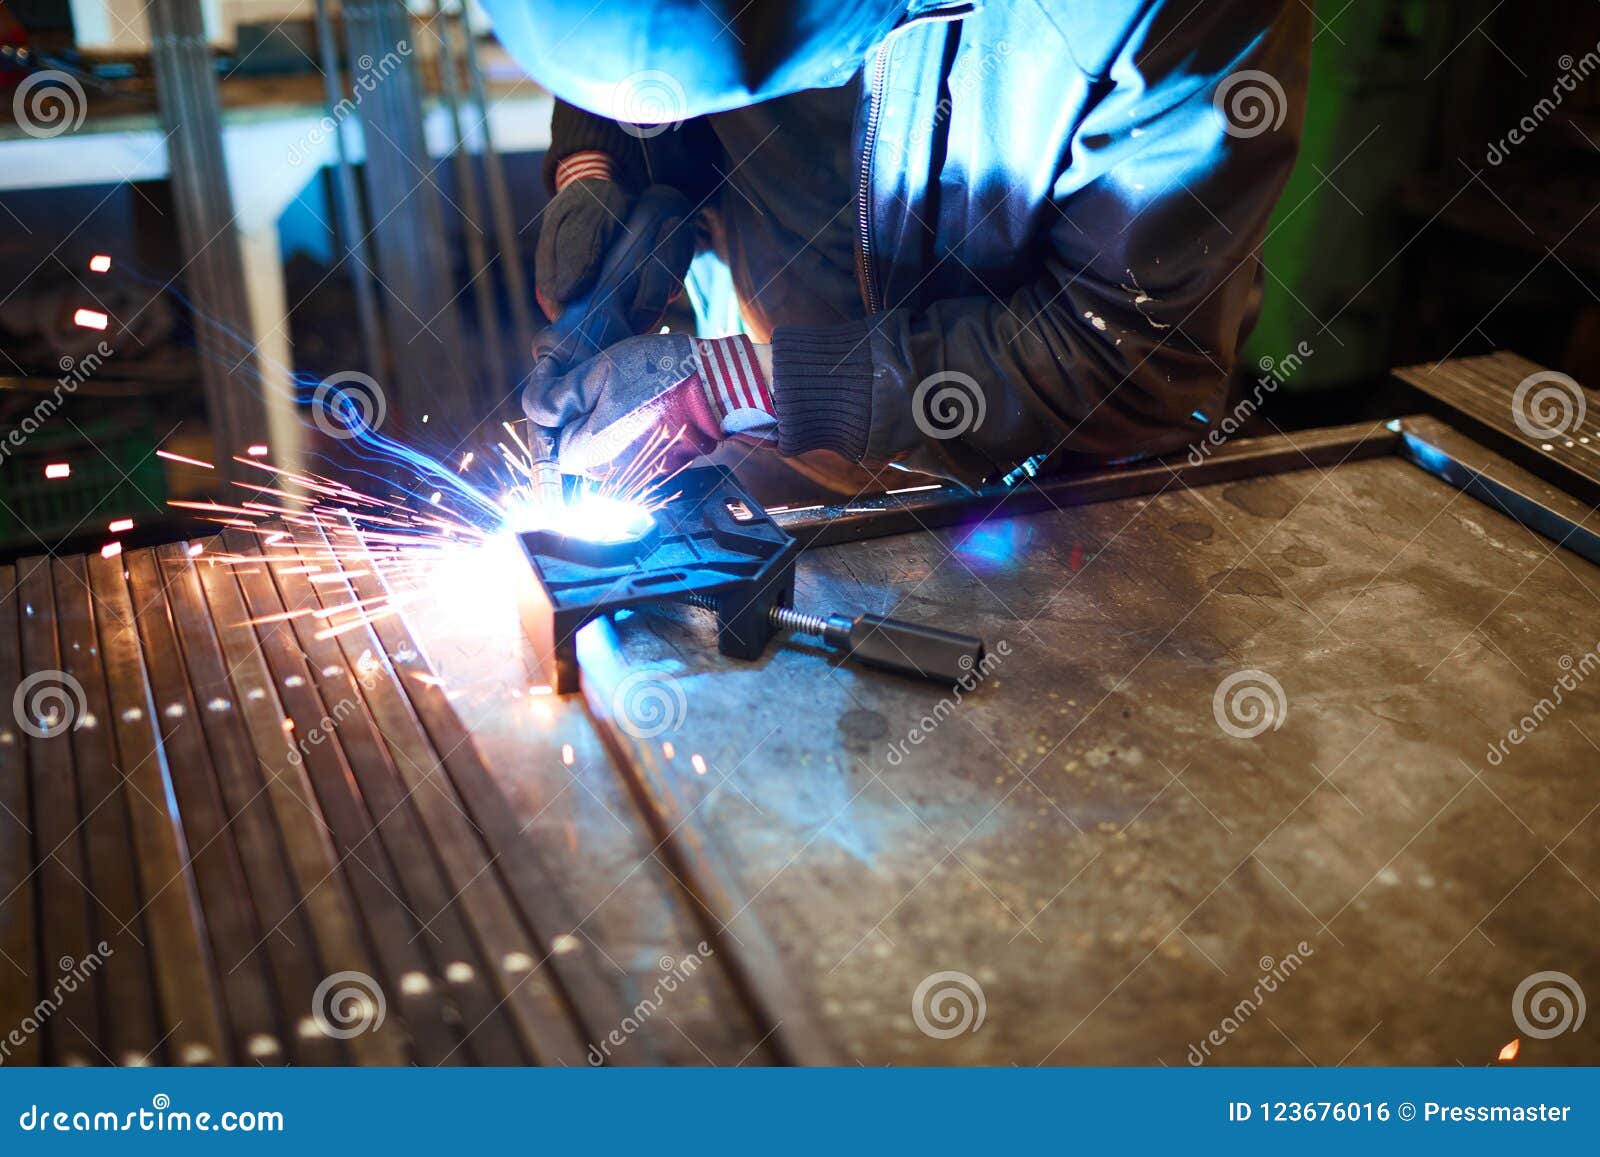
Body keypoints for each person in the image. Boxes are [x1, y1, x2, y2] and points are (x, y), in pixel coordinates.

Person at [484, 0, 1310, 489]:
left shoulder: (1170, 14)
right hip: (765, 437)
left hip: (1040, 499)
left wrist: (749, 386)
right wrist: (605, 165)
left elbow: (1133, 361)